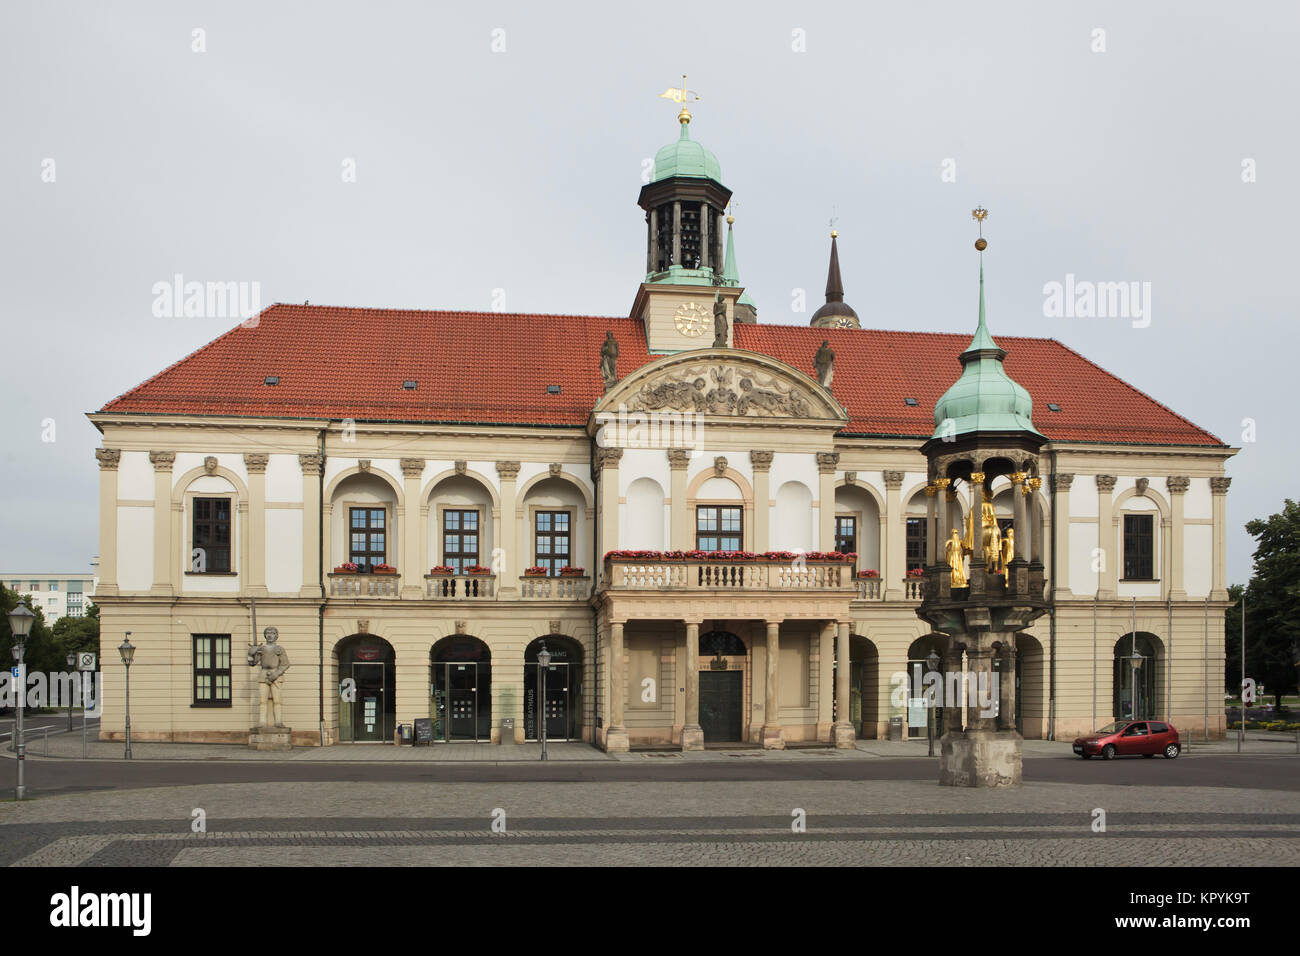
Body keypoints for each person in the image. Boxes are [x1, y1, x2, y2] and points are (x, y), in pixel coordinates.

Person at [247, 627, 290, 728]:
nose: (270, 635)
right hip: (263, 675)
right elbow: (253, 663)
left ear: (276, 635)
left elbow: (285, 664)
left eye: (273, 633)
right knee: (262, 700)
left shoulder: (279, 649)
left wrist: (277, 673)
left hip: (276, 675)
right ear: (265, 635)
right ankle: (262, 722)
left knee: (277, 700)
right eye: (268, 633)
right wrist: (251, 653)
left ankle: (278, 721)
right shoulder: (261, 649)